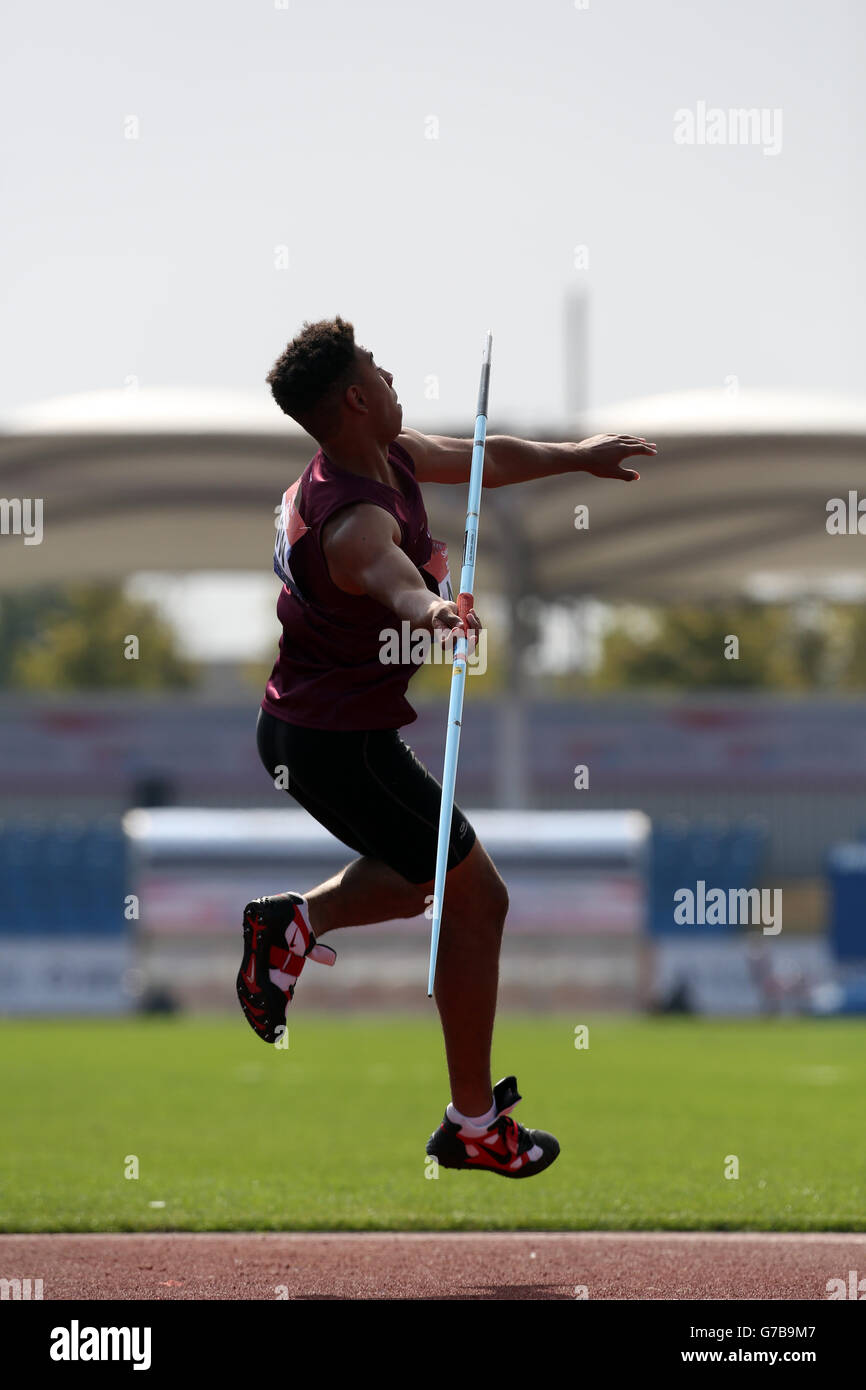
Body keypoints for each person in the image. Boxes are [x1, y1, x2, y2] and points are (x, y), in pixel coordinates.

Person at [237, 316, 656, 1177]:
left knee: (424, 885)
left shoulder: (376, 458)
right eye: (380, 371)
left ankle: (292, 925)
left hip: (330, 730)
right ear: (356, 398)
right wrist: (437, 615)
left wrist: (574, 455)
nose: (394, 381)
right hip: (332, 745)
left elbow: (484, 460)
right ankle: (472, 1124)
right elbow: (392, 581)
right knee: (479, 901)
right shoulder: (352, 521)